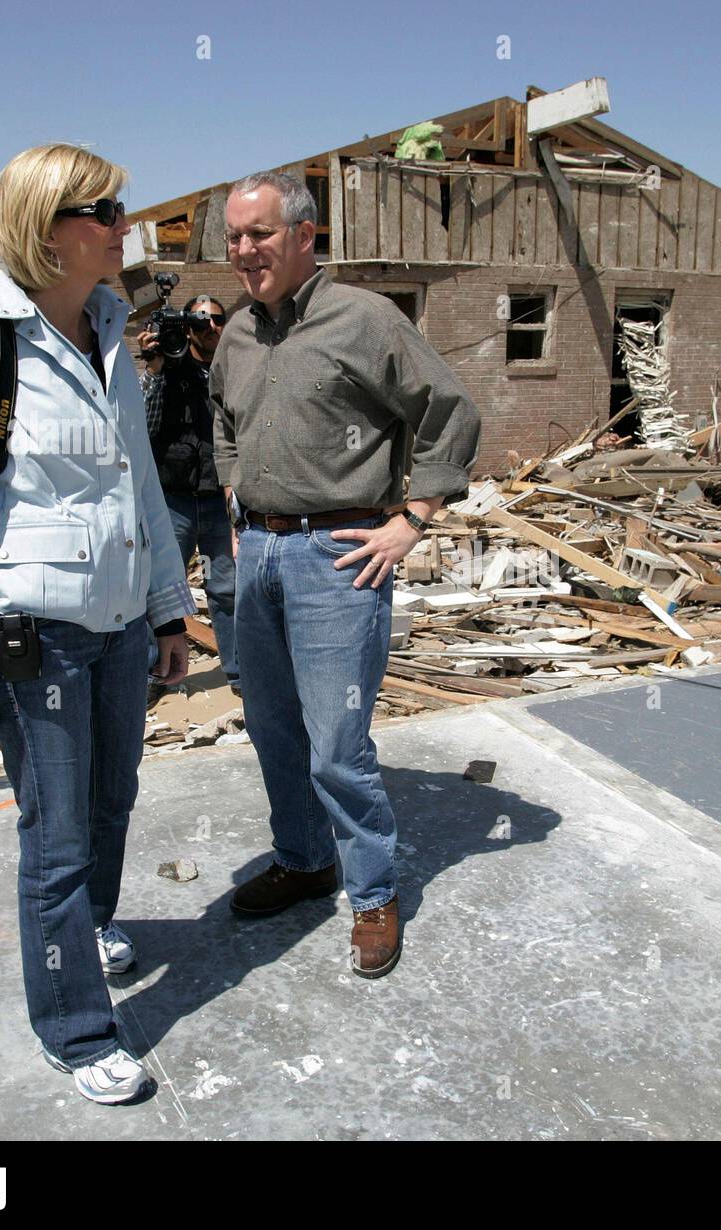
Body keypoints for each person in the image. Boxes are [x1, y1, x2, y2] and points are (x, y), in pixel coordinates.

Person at [0, 143, 196, 1104]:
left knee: (113, 801)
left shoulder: (111, 325)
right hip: (36, 627)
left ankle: (89, 932)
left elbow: (140, 484)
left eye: (119, 204)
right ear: (47, 228)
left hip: (122, 621)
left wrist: (171, 611)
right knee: (58, 838)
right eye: (103, 208)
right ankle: (77, 1030)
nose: (123, 222)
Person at [211, 170, 480, 978]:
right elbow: (225, 422)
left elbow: (449, 411)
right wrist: (234, 497)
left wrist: (413, 520)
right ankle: (304, 860)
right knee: (273, 725)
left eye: (258, 233)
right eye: (232, 236)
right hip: (256, 551)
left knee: (336, 745)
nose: (243, 250)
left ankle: (372, 893)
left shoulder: (364, 320)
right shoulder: (237, 332)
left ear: (304, 235)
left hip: (339, 557)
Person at [137, 296, 239, 697]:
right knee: (160, 592)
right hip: (172, 502)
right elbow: (144, 425)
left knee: (226, 589)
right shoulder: (168, 367)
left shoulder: (231, 368)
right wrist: (156, 368)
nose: (210, 328)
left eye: (217, 320)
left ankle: (239, 674)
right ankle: (154, 675)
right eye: (201, 322)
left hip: (218, 499)